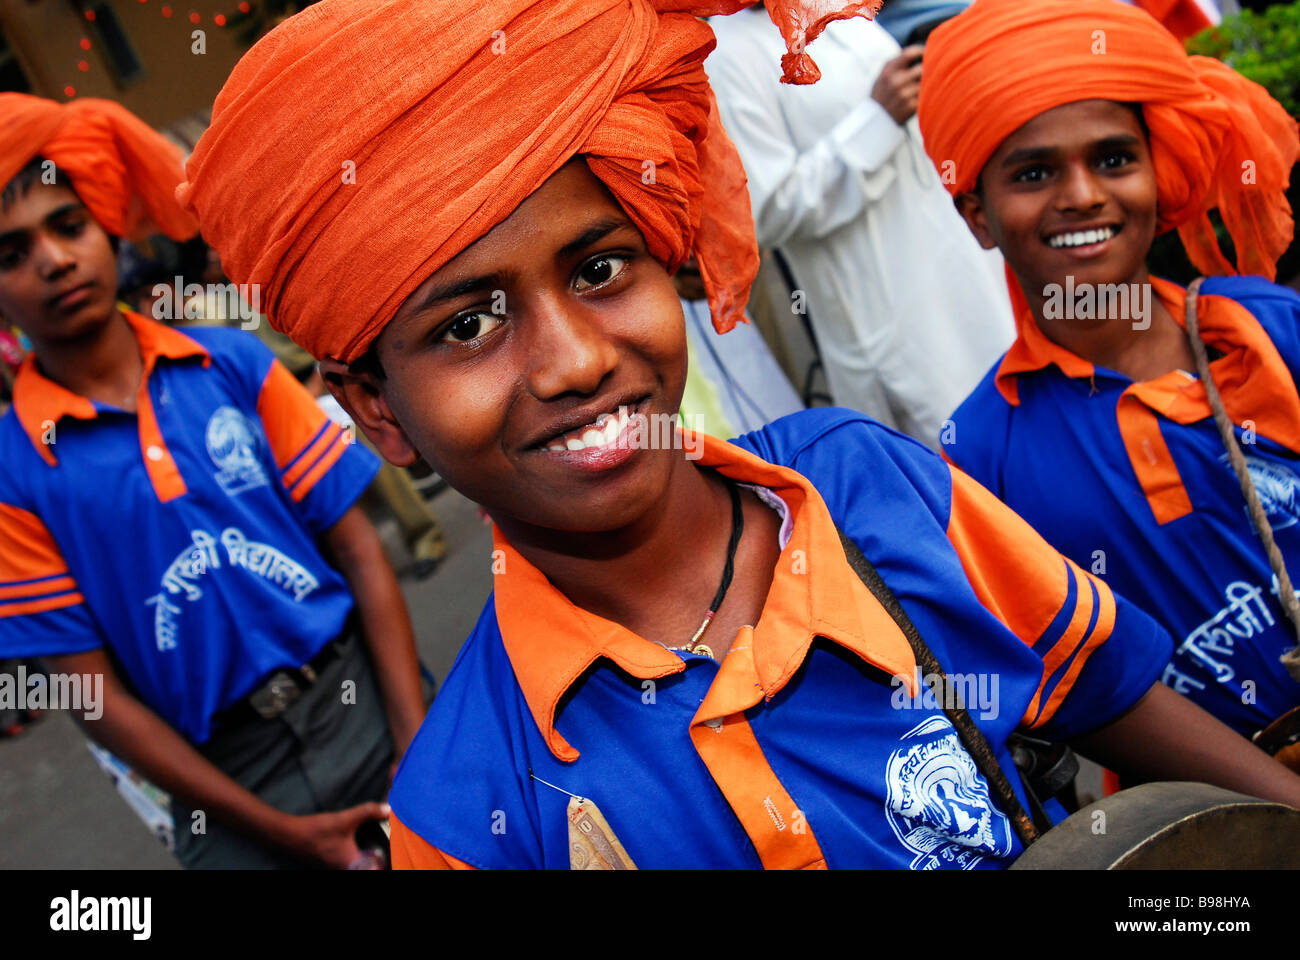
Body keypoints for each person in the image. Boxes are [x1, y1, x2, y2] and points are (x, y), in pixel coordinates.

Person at [179, 0, 1300, 870]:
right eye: (466, 324)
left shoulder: (864, 486)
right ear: (377, 409)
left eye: (599, 269)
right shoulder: (470, 812)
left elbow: (1112, 706)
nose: (573, 359)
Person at [0, 93, 426, 868]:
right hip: (230, 788)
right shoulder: (13, 470)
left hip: (366, 702)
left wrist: (417, 743)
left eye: (68, 226)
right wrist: (285, 836)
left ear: (107, 226)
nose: (54, 260)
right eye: (11, 253)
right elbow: (93, 699)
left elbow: (360, 551)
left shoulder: (231, 364)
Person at [918, 0, 1300, 747]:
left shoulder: (1267, 328)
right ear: (979, 218)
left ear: (1158, 182)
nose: (1084, 194)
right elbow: (1082, 695)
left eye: (1114, 159)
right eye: (1034, 172)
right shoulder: (980, 456)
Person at [703, 3, 1014, 445]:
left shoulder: (833, 6)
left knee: (1022, 424)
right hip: (891, 320)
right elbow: (766, 212)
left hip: (965, 271)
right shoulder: (729, 53)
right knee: (963, 463)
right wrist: (877, 119)